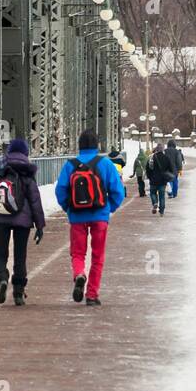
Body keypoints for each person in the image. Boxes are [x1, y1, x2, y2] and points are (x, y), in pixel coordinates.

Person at [54, 128, 125, 306]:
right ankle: (92, 295)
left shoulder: (70, 165)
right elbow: (118, 191)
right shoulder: (106, 164)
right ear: (96, 145)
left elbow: (60, 191)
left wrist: (69, 208)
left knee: (78, 253)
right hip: (99, 215)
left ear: (79, 146)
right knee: (97, 255)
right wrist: (109, 209)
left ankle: (79, 274)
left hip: (77, 217)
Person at [0, 138, 45, 306]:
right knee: (20, 256)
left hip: (0, 217)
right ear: (25, 153)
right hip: (23, 220)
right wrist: (40, 225)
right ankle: (18, 292)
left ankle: (2, 279)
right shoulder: (27, 172)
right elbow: (35, 200)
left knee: (0, 253)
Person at [146, 143, 174, 216]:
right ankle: (161, 211)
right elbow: (171, 169)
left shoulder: (151, 158)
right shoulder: (166, 158)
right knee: (162, 196)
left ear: (156, 149)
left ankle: (155, 202)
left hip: (153, 180)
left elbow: (147, 169)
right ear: (163, 149)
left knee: (152, 193)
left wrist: (150, 177)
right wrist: (167, 176)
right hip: (163, 181)